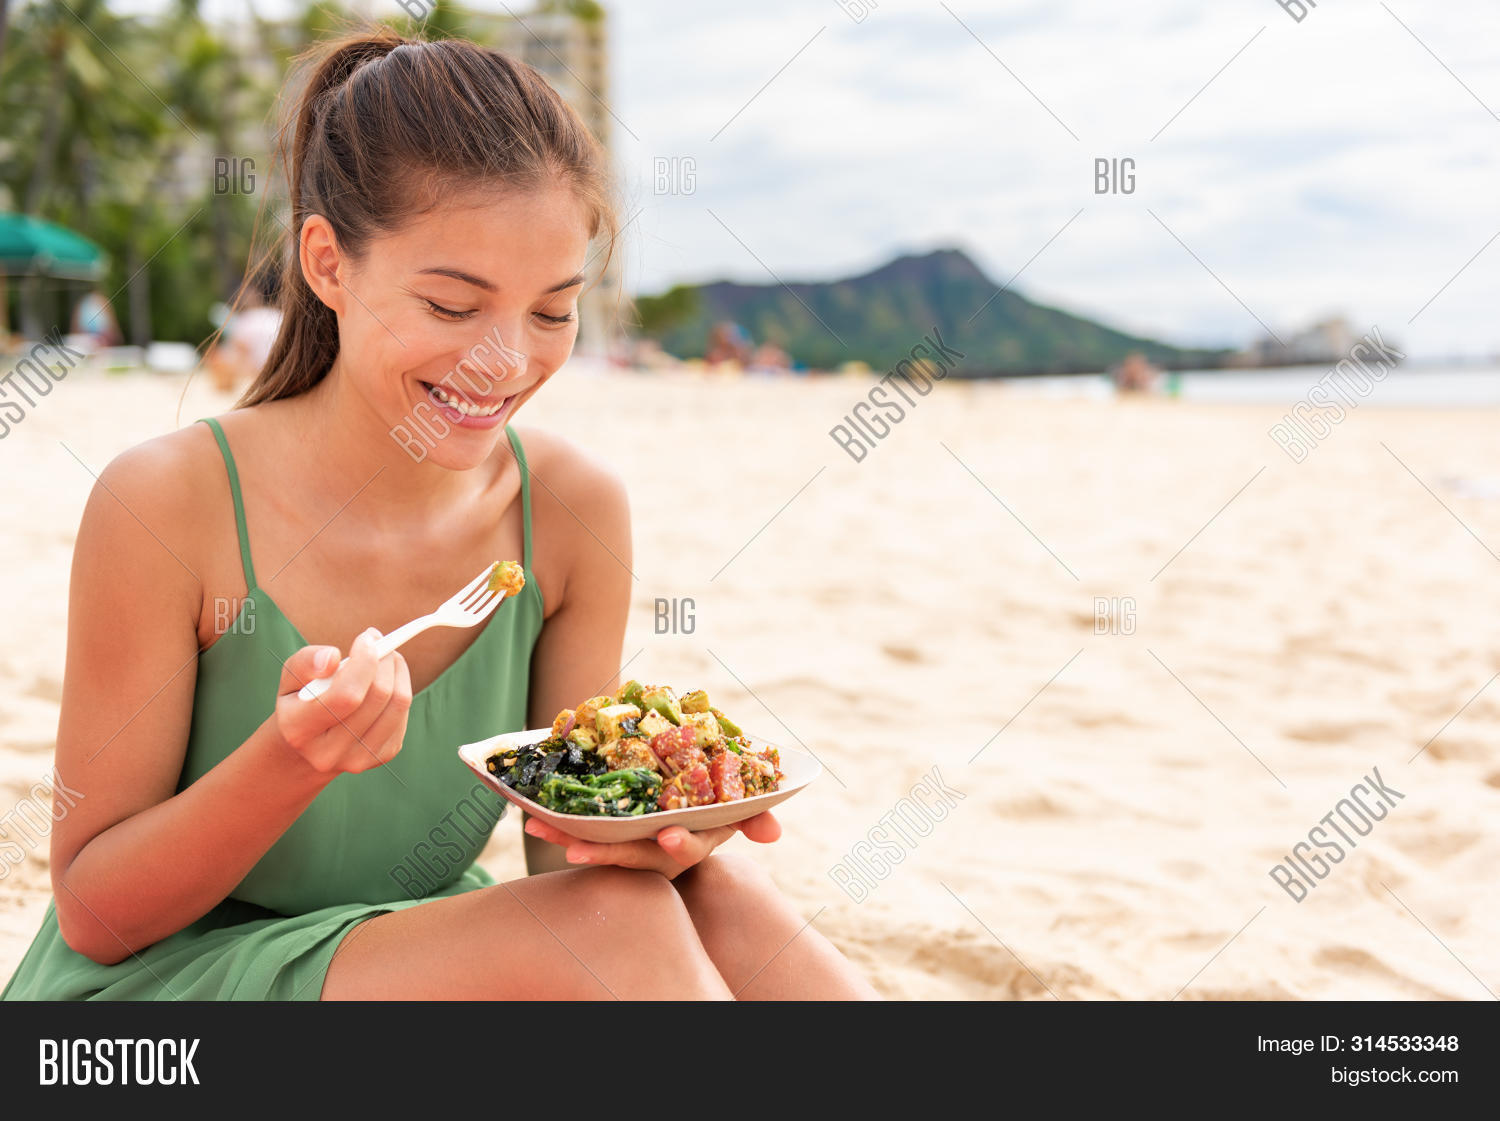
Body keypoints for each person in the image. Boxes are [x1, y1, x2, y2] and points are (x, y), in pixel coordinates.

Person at [2, 30, 875, 1001]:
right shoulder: (167, 500)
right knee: (626, 930)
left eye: (551, 312)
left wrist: (657, 823)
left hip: (400, 951)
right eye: (455, 306)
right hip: (157, 993)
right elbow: (95, 909)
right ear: (328, 265)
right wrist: (291, 759)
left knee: (717, 897)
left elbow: (564, 866)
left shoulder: (572, 510)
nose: (505, 363)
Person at [206, 274, 283, 393]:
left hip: (261, 369)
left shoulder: (246, 320)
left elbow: (240, 351)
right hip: (285, 367)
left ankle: (224, 384)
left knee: (217, 355)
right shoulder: (278, 315)